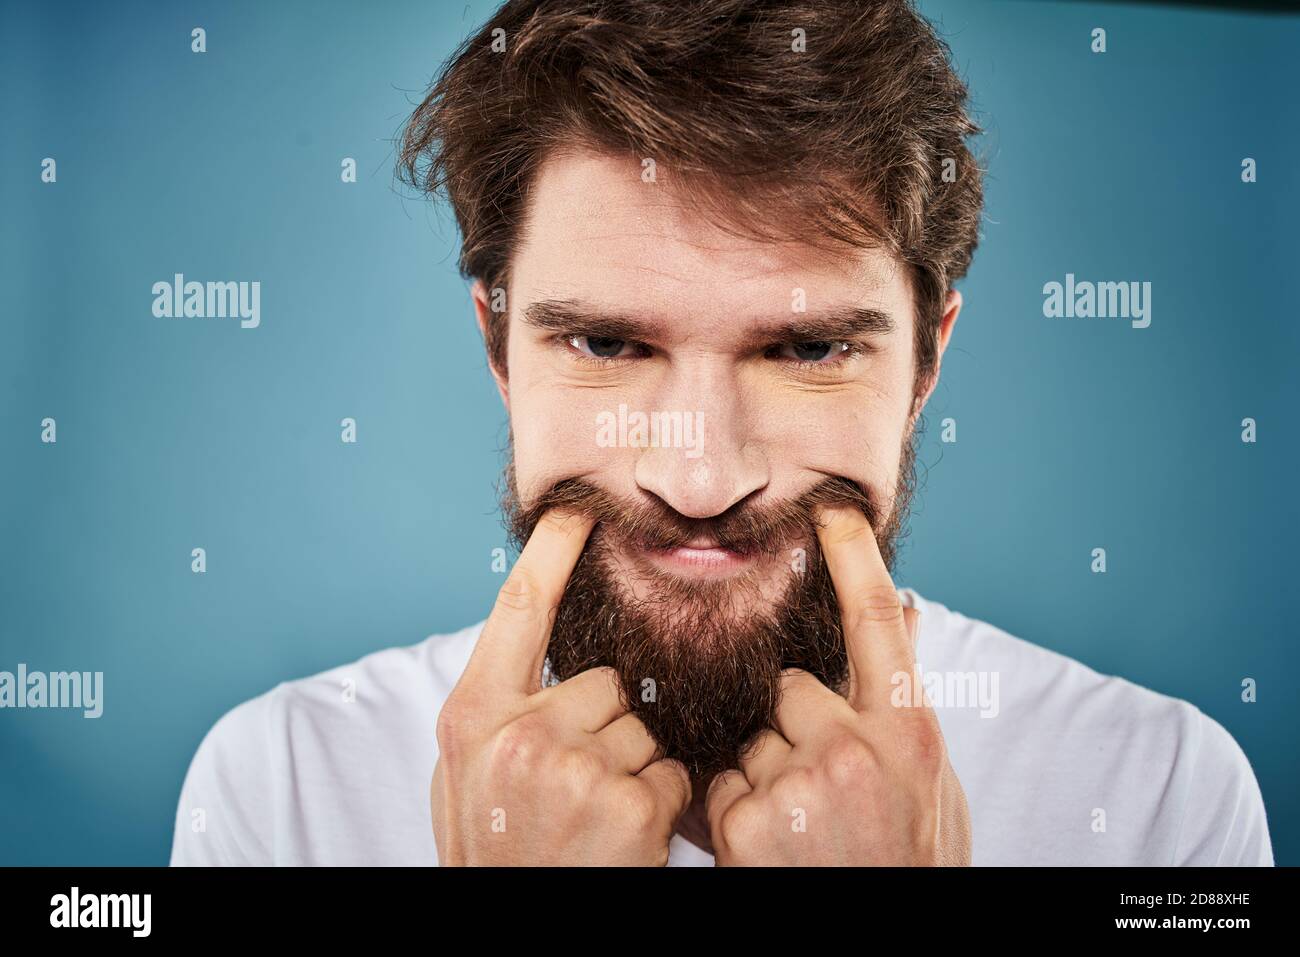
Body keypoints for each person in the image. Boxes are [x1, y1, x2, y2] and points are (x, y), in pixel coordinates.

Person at [170, 0, 1272, 866]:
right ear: (499, 351)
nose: (700, 477)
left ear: (927, 360)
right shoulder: (280, 789)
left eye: (803, 351)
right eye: (605, 345)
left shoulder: (1160, 796)